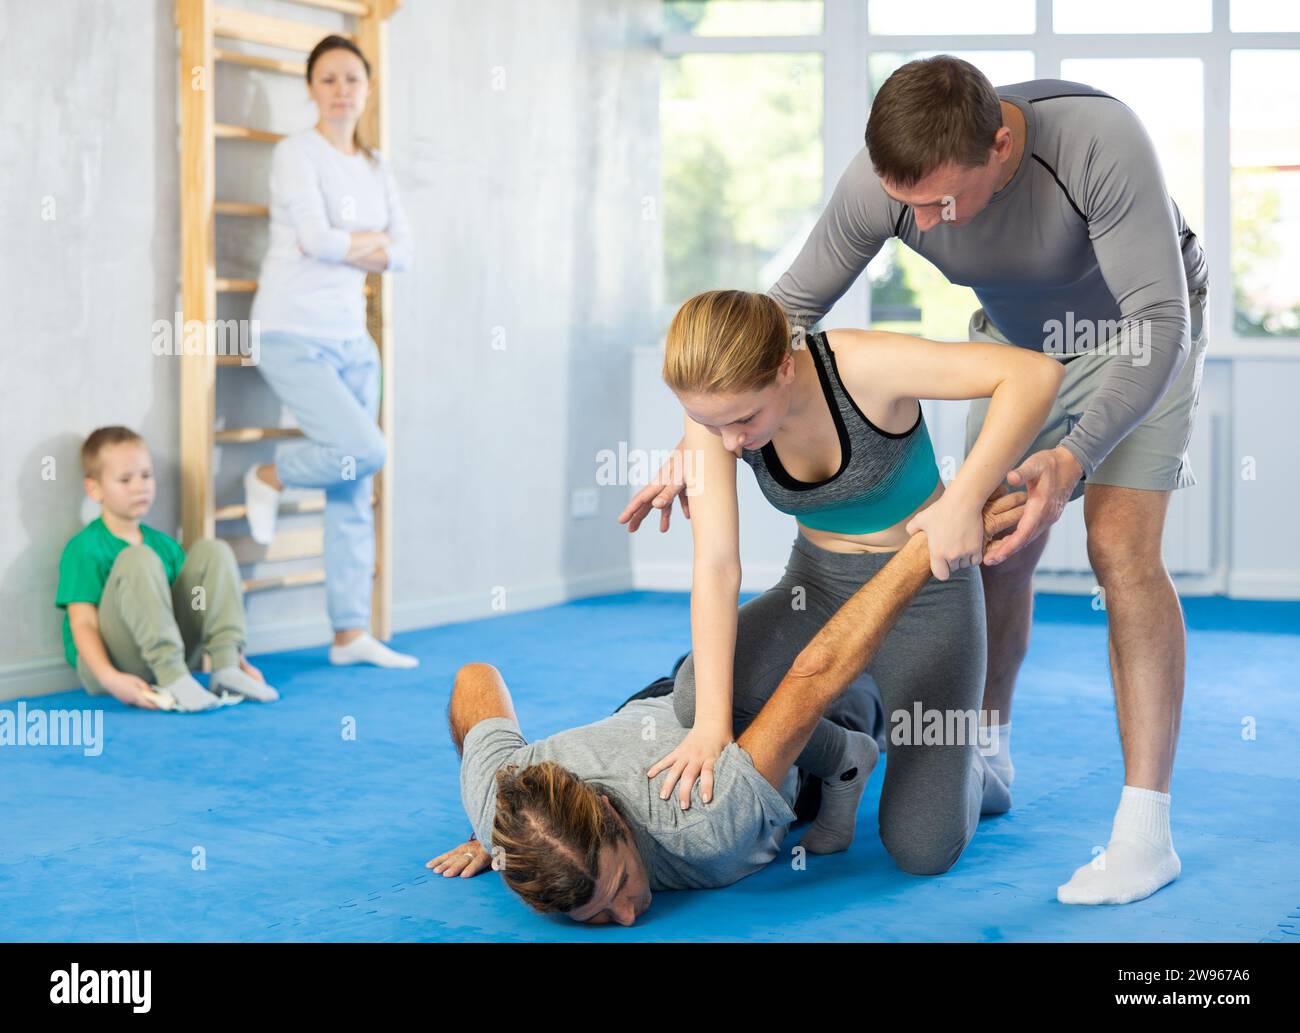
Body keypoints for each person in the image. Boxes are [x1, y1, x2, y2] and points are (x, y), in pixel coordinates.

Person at [625, 57, 1207, 906]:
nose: (926, 222)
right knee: (994, 553)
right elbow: (781, 315)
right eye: (910, 206)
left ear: (1001, 145)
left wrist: (1075, 454)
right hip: (1021, 348)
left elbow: (1161, 322)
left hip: (1142, 336)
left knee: (1119, 548)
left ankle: (1145, 829)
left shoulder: (1097, 144)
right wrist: (705, 431)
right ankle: (989, 744)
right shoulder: (888, 184)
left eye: (941, 202)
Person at [430, 491, 1027, 926]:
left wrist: (927, 549)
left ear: (611, 815)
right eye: (598, 917)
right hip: (717, 730)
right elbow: (473, 679)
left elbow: (813, 682)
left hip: (755, 703)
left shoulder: (702, 827)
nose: (628, 915)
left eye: (618, 885)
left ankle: (882, 754)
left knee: (890, 696)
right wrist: (507, 830)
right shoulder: (500, 807)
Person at [621, 288, 1061, 866]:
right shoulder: (717, 411)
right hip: (817, 587)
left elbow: (1034, 373)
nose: (729, 443)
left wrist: (966, 499)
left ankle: (970, 773)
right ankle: (849, 751)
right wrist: (709, 728)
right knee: (697, 694)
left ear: (784, 367)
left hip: (925, 588)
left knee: (921, 850)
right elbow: (718, 565)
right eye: (710, 424)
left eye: (743, 420)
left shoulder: (860, 365)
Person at [246, 34, 416, 669]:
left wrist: (358, 242)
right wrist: (368, 242)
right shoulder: (297, 154)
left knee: (354, 482)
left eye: (352, 79)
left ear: (367, 88)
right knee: (364, 449)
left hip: (353, 340)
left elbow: (406, 251)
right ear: (312, 89)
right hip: (291, 331)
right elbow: (314, 239)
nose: (342, 90)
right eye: (329, 79)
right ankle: (269, 475)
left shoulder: (375, 165)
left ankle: (349, 634)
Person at [54, 426, 278, 712]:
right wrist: (109, 679)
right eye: (125, 479)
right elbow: (82, 624)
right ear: (94, 488)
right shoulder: (84, 548)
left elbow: (202, 601)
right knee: (137, 558)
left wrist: (236, 657)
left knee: (213, 551)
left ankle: (226, 669)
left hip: (174, 656)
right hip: (116, 663)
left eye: (146, 476)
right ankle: (172, 677)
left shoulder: (164, 545)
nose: (140, 486)